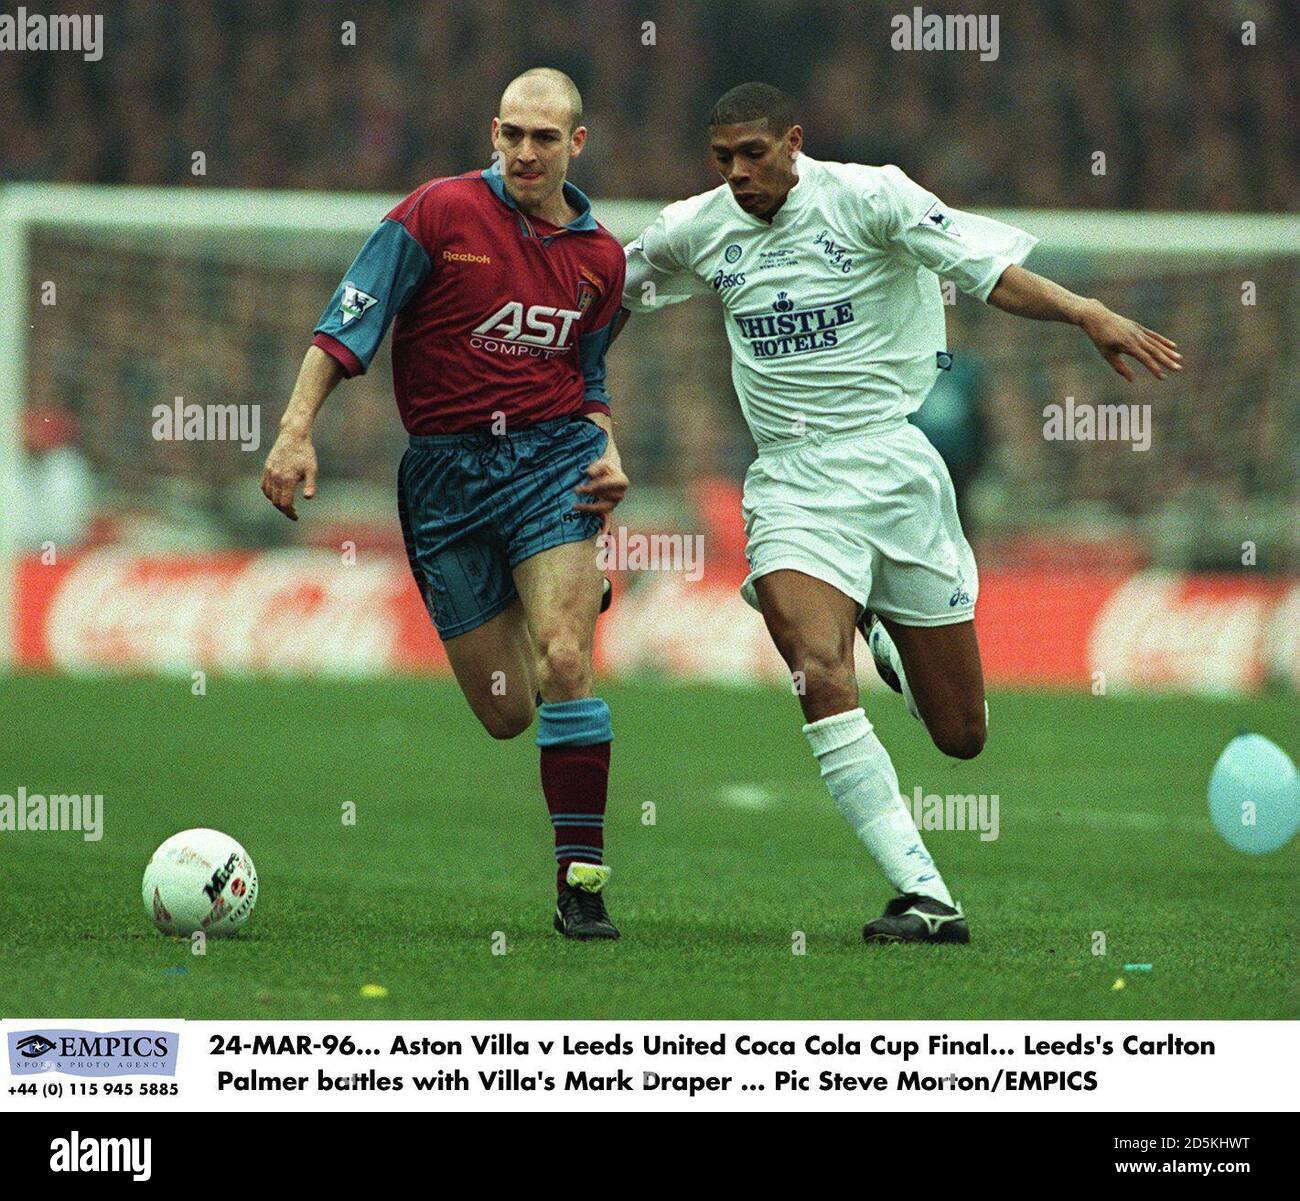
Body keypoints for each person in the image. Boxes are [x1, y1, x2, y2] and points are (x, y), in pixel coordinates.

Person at [620, 83, 1181, 944]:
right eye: (722, 157)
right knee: (815, 661)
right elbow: (602, 294)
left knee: (962, 736)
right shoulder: (697, 228)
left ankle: (879, 623)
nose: (738, 172)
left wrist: (1084, 312)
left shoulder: (871, 197)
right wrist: (575, 406)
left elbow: (986, 272)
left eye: (754, 154)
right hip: (792, 483)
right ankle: (925, 894)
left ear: (794, 142)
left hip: (893, 466)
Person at [260, 68, 630, 941]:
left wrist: (605, 441)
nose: (527, 153)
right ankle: (548, 586)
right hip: (445, 480)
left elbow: (589, 371)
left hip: (552, 461)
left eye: (546, 138)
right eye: (513, 135)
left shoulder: (601, 259)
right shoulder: (435, 212)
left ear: (576, 144)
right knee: (508, 710)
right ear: (492, 134)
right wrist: (293, 428)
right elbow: (349, 319)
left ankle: (581, 881)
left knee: (567, 658)